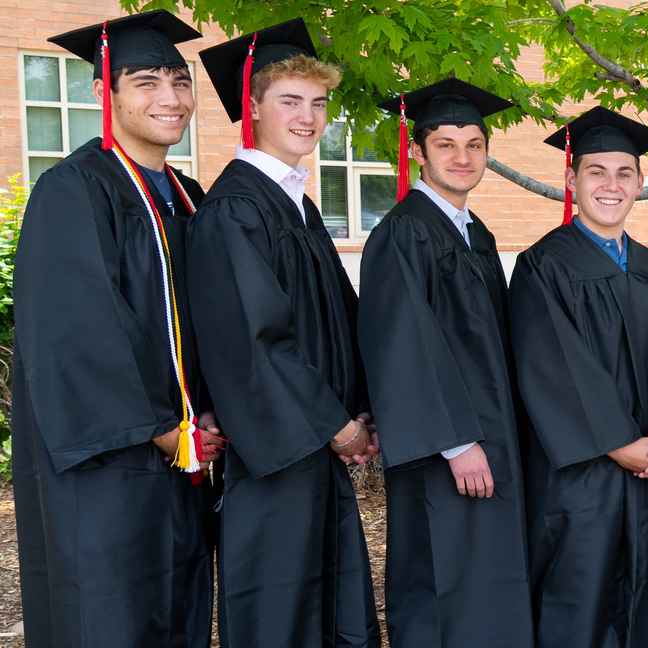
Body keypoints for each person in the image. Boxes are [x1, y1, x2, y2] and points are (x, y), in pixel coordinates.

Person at [14, 12, 223, 647]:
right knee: (110, 615)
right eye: (146, 81)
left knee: (180, 607)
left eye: (178, 80)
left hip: (185, 455)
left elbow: (212, 317)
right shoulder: (74, 190)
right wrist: (160, 427)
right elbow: (74, 328)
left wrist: (210, 412)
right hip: (109, 463)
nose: (169, 97)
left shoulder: (186, 194)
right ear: (106, 93)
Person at [187, 20, 381, 646]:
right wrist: (336, 424)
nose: (308, 117)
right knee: (280, 605)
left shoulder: (294, 201)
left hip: (312, 448)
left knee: (323, 600)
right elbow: (255, 338)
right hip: (278, 453)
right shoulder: (239, 206)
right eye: (289, 101)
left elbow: (339, 318)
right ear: (253, 106)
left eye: (318, 103)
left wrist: (362, 411)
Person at [357, 77, 532, 646]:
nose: (462, 157)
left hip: (486, 440)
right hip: (447, 452)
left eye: (474, 144)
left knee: (482, 584)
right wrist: (457, 443)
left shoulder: (472, 232)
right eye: (446, 144)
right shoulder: (405, 234)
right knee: (443, 585)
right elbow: (401, 346)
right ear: (417, 151)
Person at [509, 106, 648, 647]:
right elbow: (551, 366)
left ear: (639, 183)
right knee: (579, 597)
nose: (612, 186)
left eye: (624, 173)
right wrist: (616, 443)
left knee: (647, 593)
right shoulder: (543, 265)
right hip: (581, 475)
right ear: (571, 178)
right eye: (596, 172)